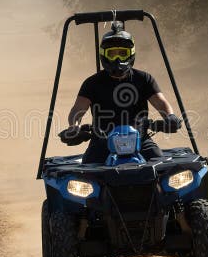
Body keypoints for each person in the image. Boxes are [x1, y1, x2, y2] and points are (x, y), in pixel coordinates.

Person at [60, 24, 182, 163]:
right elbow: (77, 109)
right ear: (103, 55)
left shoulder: (144, 79)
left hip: (140, 140)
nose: (117, 59)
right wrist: (74, 127)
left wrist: (170, 117)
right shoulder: (92, 83)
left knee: (162, 168)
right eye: (112, 53)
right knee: (86, 174)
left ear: (131, 53)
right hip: (101, 142)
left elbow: (161, 102)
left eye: (122, 53)